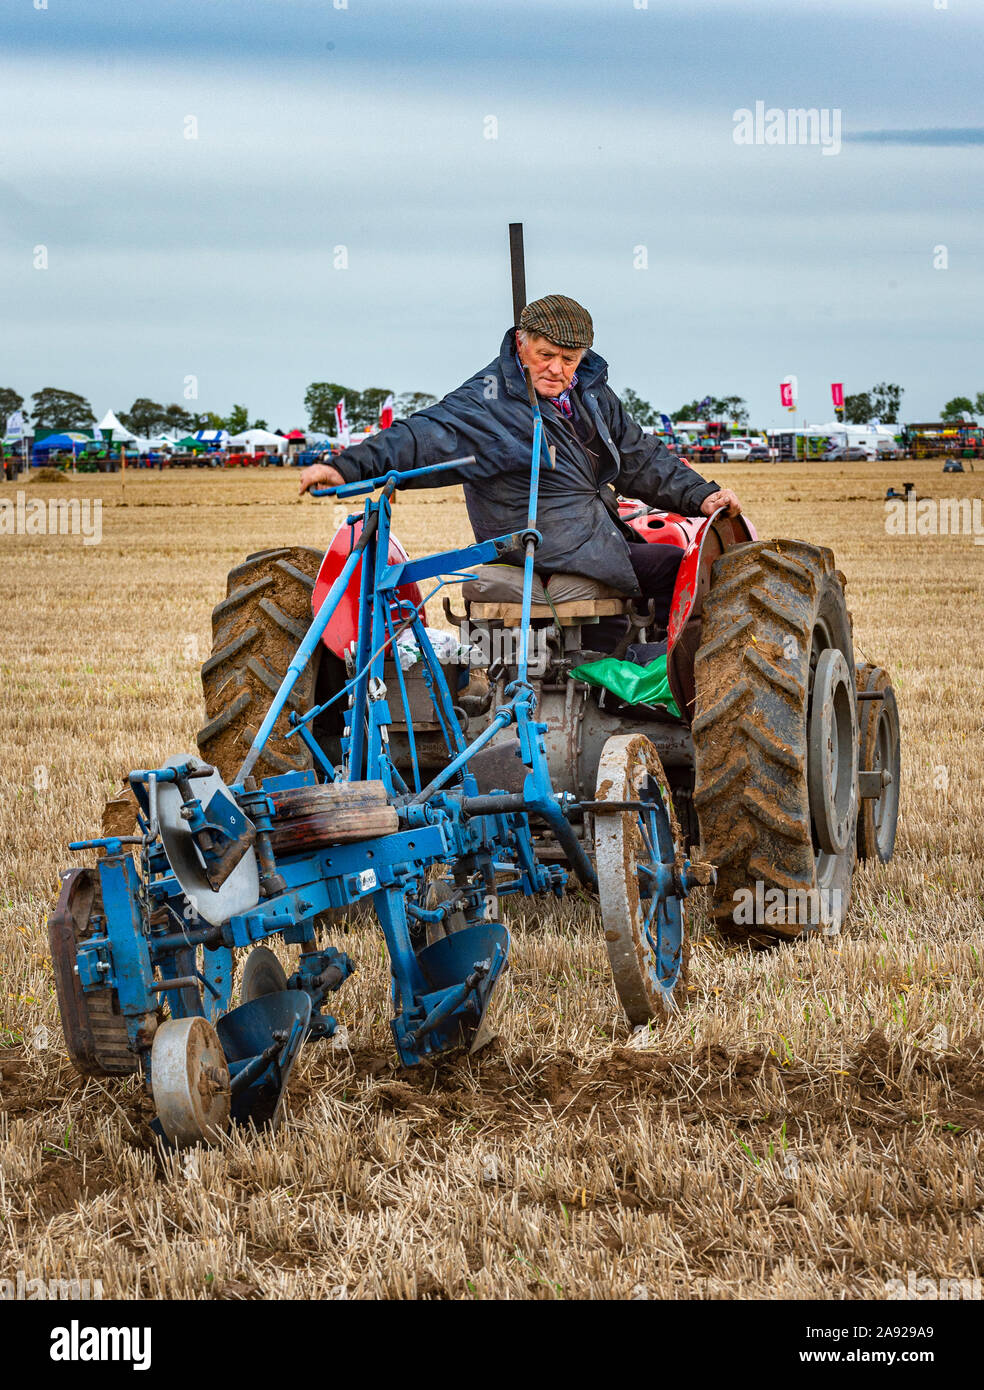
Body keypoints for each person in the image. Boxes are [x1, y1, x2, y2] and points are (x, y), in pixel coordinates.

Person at [298, 295, 740, 637]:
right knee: (675, 566)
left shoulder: (590, 395)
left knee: (658, 564)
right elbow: (422, 435)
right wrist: (345, 468)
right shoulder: (488, 402)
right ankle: (668, 677)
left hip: (588, 535)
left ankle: (623, 667)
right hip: (539, 543)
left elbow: (640, 457)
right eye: (545, 355)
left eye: (569, 359)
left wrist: (700, 495)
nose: (556, 369)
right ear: (520, 344)